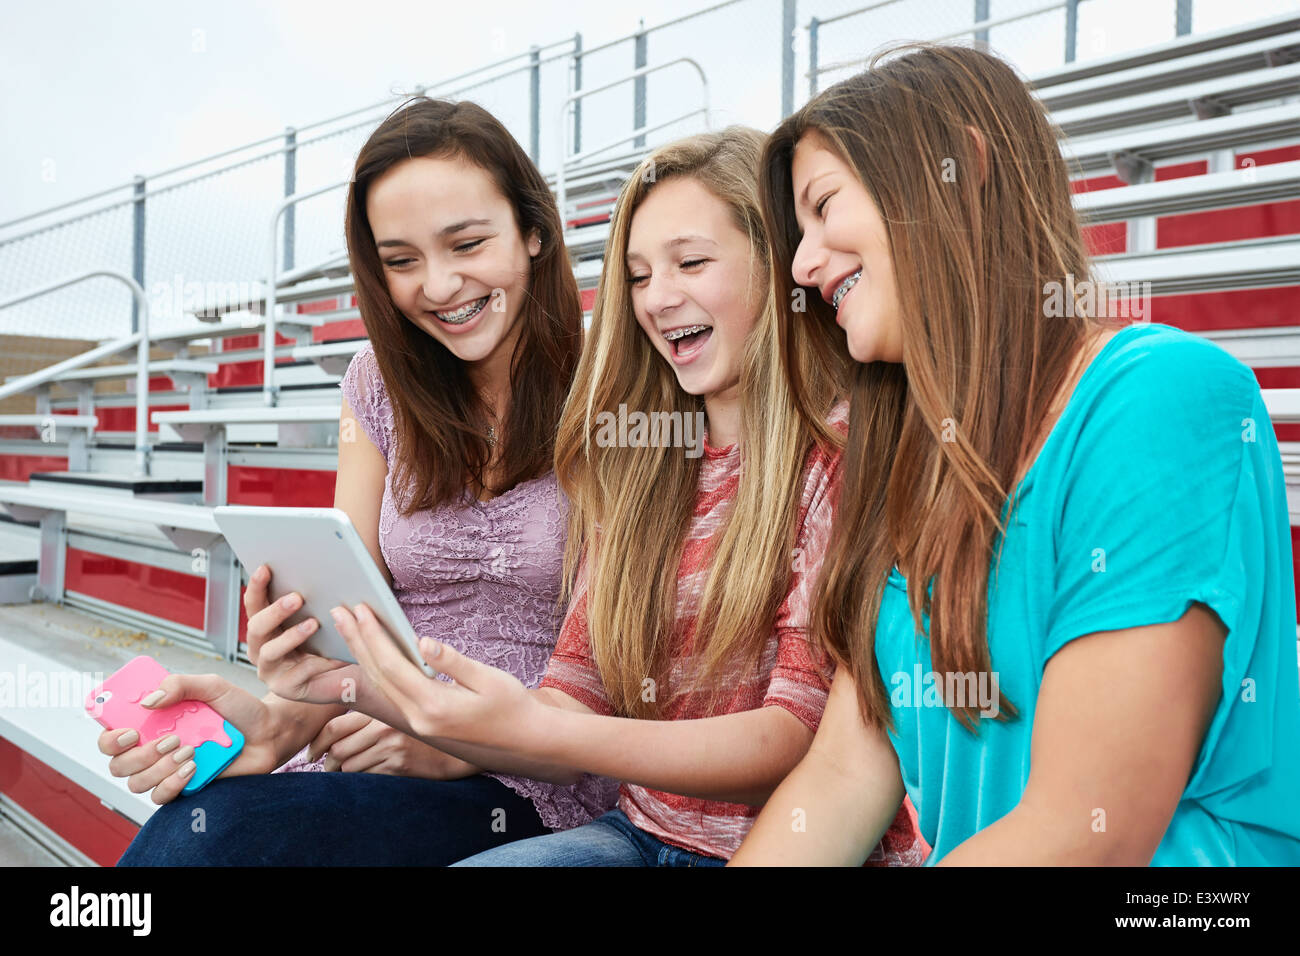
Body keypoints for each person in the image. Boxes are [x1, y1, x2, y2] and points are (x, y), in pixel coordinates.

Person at [729, 43, 1300, 866]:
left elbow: (1086, 835)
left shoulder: (1160, 395)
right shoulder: (906, 461)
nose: (803, 261)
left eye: (824, 207)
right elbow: (841, 778)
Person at [314, 126, 922, 866]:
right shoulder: (637, 462)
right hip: (638, 835)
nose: (658, 299)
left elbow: (789, 734)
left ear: (776, 265)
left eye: (691, 262)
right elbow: (573, 695)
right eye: (636, 277)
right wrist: (349, 688)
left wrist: (536, 730)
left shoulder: (839, 453)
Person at [102, 96, 617, 865]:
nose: (438, 286)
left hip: (527, 774)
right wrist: (277, 720)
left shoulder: (615, 389)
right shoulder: (374, 382)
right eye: (401, 260)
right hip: (372, 738)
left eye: (467, 243)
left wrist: (452, 741)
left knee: (223, 845)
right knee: (200, 826)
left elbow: (612, 684)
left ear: (534, 231)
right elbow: (354, 618)